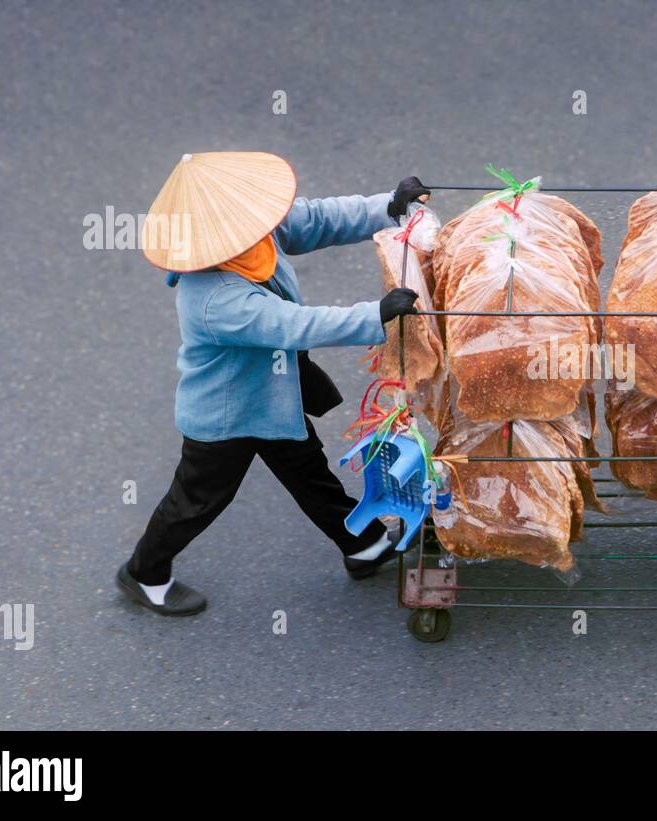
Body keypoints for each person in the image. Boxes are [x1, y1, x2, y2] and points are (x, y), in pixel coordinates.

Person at [117, 151, 431, 616]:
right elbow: (294, 325)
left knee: (307, 471)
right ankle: (144, 571)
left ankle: (362, 545)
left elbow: (316, 219)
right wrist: (376, 314)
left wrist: (386, 207)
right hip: (228, 417)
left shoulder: (252, 237)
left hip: (271, 397)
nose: (265, 222)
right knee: (198, 500)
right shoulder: (214, 299)